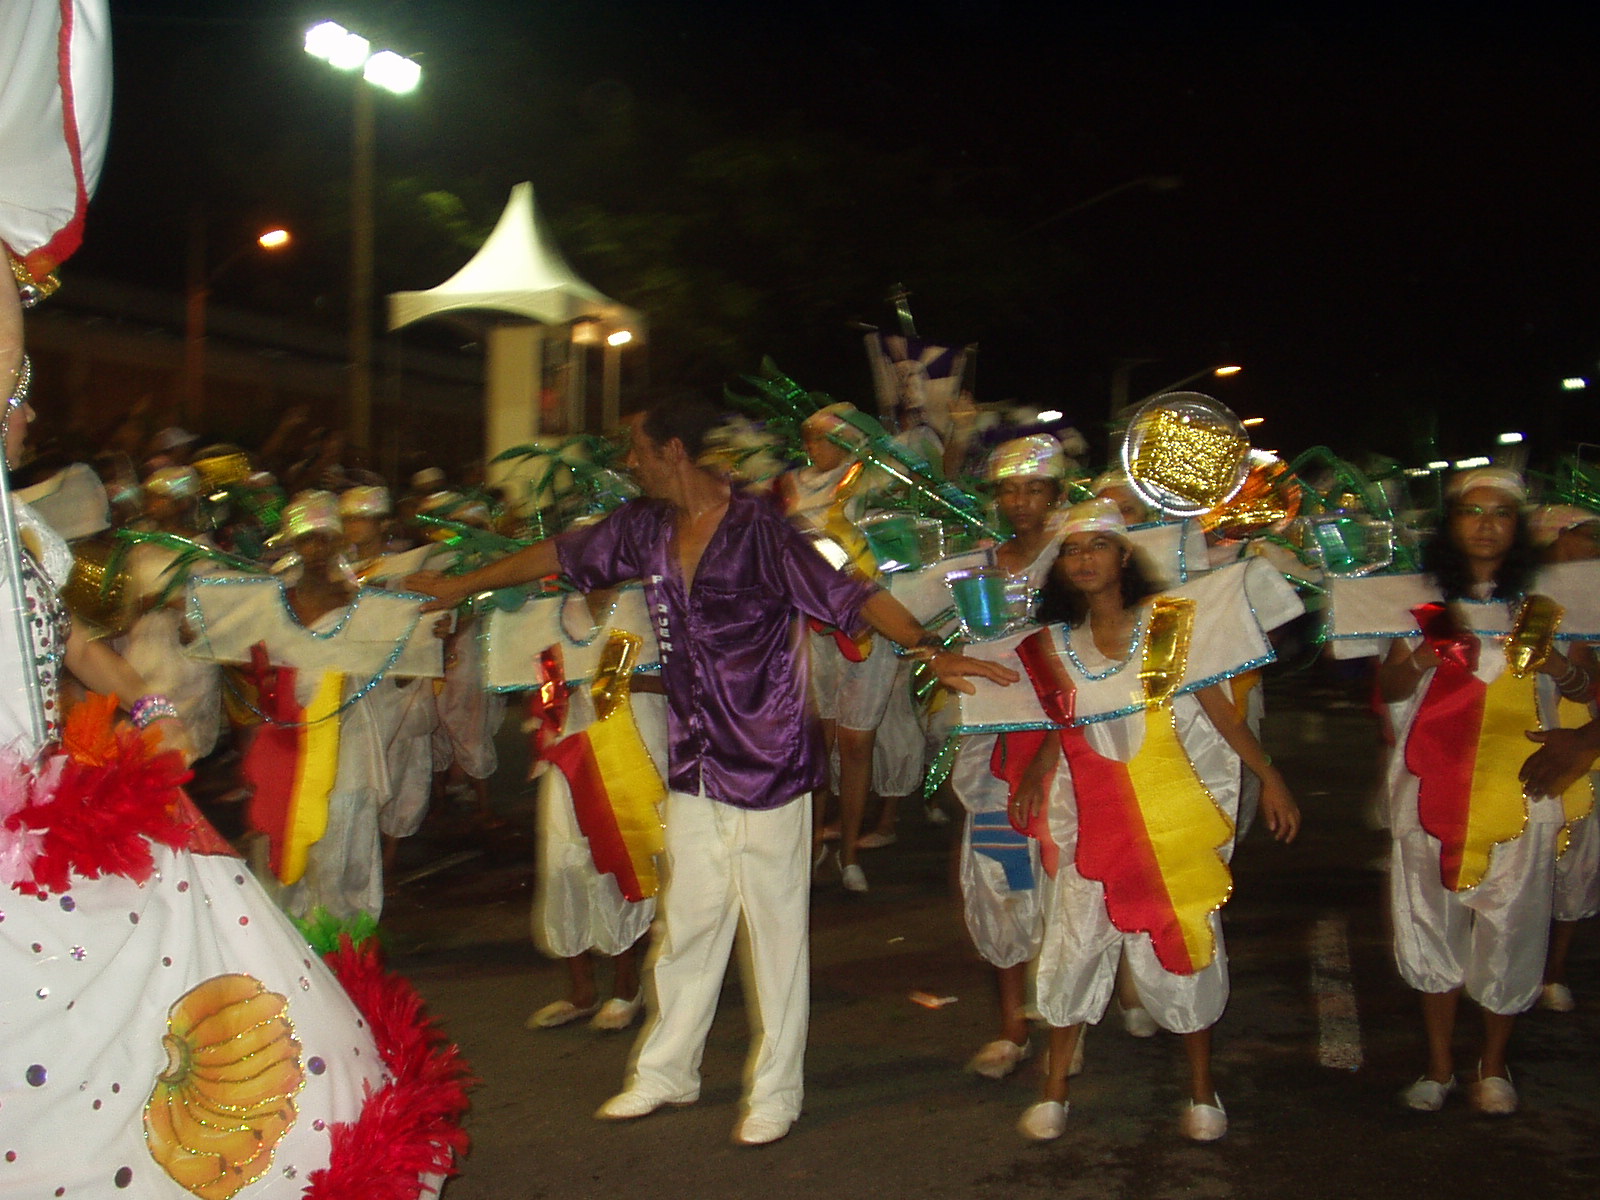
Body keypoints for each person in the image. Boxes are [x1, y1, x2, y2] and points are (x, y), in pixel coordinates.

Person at [408, 394, 1016, 1146]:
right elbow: (564, 553)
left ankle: (775, 1090)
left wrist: (930, 648)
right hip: (694, 761)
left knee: (774, 930)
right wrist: (458, 586)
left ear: (672, 452)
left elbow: (853, 596)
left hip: (770, 763)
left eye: (637, 449)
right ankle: (666, 1073)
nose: (628, 463)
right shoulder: (645, 527)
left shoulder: (764, 530)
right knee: (688, 923)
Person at [999, 499, 1300, 1143]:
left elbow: (1222, 716)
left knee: (1184, 940)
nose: (1084, 560)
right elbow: (1066, 723)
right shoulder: (1054, 645)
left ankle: (1200, 1090)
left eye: (1097, 547)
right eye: (1072, 550)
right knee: (1075, 941)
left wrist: (1270, 777)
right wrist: (1031, 773)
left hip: (1168, 814)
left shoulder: (1167, 627)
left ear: (1125, 556)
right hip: (1093, 816)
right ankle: (1055, 1088)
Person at [1375, 468, 1596, 1115]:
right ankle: (1439, 1066)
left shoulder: (1555, 604)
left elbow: (1587, 690)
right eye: (1473, 511)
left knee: (1513, 925)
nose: (1486, 523)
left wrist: (1556, 664)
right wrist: (1422, 655)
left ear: (1517, 527)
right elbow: (1389, 689)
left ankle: (1492, 1065)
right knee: (1429, 925)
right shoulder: (1422, 600)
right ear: (1453, 523)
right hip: (1428, 790)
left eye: (1501, 513)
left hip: (1522, 788)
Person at [951, 434, 1071, 1080]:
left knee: (1063, 886)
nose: (1020, 502)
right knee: (997, 879)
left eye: (1033, 489)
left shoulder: (1078, 558)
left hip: (1065, 747)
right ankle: (1011, 1026)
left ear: (1055, 495)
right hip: (993, 748)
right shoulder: (979, 566)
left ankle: (1062, 1023)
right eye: (1009, 490)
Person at [1527, 502, 1600, 1012]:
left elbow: (1584, 680)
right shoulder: (1520, 591)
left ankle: (1552, 973)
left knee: (1578, 865)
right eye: (1586, 533)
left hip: (1586, 749)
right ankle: (1509, 965)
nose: (1595, 543)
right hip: (1523, 742)